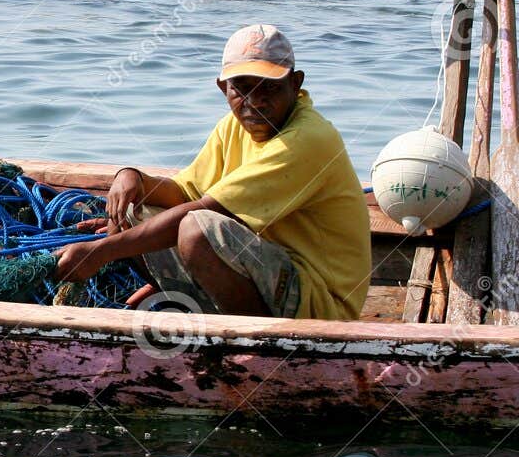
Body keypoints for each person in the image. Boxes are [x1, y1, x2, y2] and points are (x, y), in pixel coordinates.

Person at [54, 24, 371, 320]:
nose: (254, 103)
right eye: (242, 89)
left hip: (320, 302)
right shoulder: (234, 126)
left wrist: (100, 252)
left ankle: (253, 346)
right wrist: (133, 177)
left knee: (197, 228)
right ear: (224, 89)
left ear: (295, 83)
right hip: (270, 270)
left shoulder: (308, 138)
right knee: (136, 206)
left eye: (269, 89)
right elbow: (182, 193)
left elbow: (203, 211)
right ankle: (190, 300)